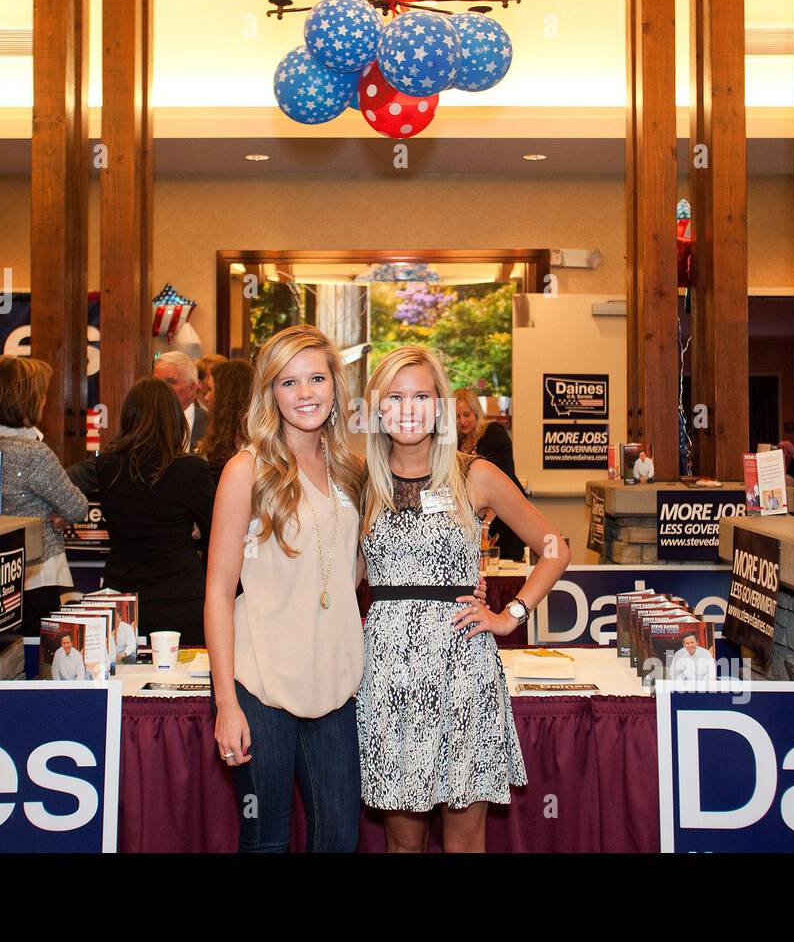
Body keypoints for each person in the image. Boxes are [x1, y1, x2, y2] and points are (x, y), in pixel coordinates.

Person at [358, 345, 571, 853]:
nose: (408, 408)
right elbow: (347, 579)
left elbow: (554, 548)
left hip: (462, 669)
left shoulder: (475, 474)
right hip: (387, 674)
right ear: (377, 407)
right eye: (394, 396)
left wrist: (509, 614)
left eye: (421, 396)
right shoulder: (361, 482)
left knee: (464, 838)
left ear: (440, 406)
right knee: (403, 839)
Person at [205, 324, 367, 853]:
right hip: (261, 687)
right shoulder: (245, 471)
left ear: (335, 387)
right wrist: (226, 704)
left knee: (339, 840)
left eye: (316, 378)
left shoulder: (352, 471)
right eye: (288, 382)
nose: (305, 394)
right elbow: (218, 591)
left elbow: (354, 569)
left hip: (337, 687)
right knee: (266, 839)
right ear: (270, 393)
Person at [0, 355, 88, 678]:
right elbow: (76, 506)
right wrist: (58, 513)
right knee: (38, 665)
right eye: (41, 394)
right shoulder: (34, 454)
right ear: (27, 400)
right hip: (40, 574)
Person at [97, 378, 216, 647]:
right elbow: (215, 534)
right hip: (180, 597)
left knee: (124, 684)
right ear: (174, 419)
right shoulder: (190, 469)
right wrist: (192, 533)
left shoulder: (107, 466)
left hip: (122, 598)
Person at [454, 387, 525, 561]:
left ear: (476, 413)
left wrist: (486, 524)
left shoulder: (494, 433)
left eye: (466, 414)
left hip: (504, 520)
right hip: (473, 523)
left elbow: (505, 481)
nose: (462, 421)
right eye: (457, 416)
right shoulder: (454, 443)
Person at [198, 358, 255, 487]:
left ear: (227, 396)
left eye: (211, 390)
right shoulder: (217, 440)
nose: (207, 397)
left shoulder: (262, 441)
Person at [153, 351, 209, 452]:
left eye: (170, 382)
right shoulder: (143, 423)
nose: (160, 389)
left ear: (192, 388)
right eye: (156, 382)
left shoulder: (210, 425)